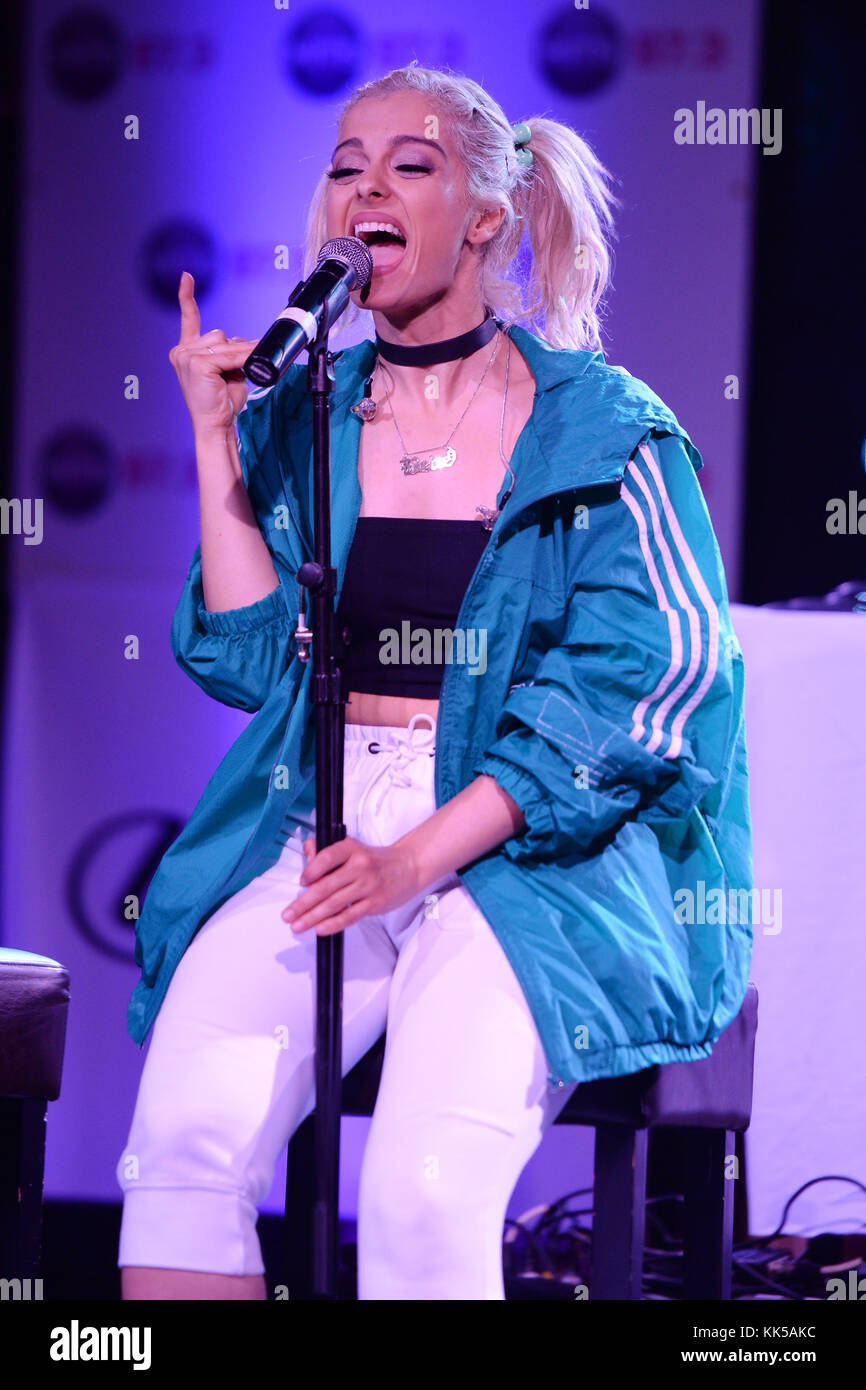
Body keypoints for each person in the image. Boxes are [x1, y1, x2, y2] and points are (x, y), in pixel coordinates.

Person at [116, 62, 753, 1301]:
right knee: (183, 1150)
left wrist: (421, 857)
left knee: (415, 1194)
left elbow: (642, 689)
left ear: (484, 216)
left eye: (408, 163)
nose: (367, 186)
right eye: (346, 165)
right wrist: (212, 438)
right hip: (328, 829)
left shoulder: (602, 427)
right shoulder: (313, 405)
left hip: (526, 856)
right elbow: (250, 659)